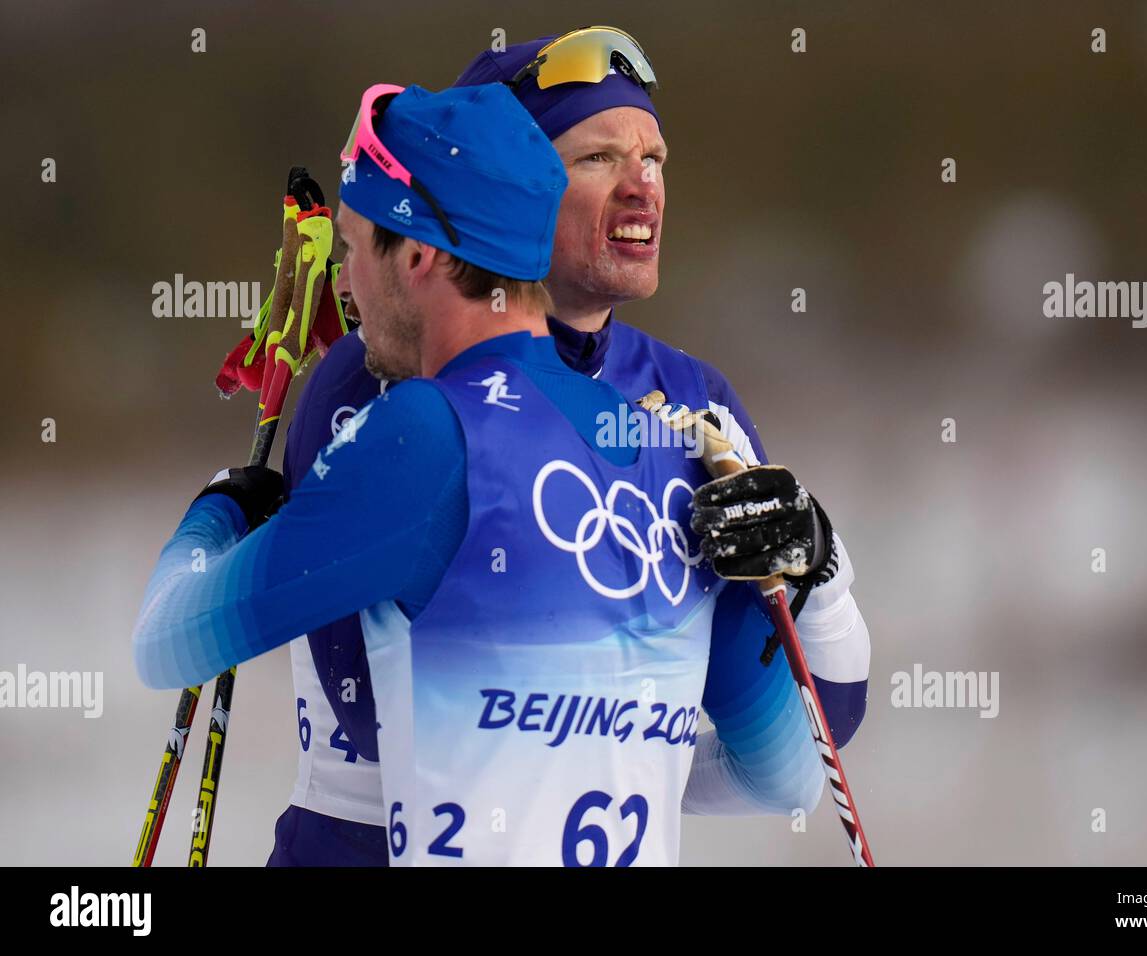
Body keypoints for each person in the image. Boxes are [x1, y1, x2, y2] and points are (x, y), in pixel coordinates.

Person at [135, 81, 825, 866]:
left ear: (420, 255)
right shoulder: (673, 439)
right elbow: (787, 775)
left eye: (355, 250)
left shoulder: (431, 431)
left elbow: (169, 641)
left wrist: (217, 515)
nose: (347, 290)